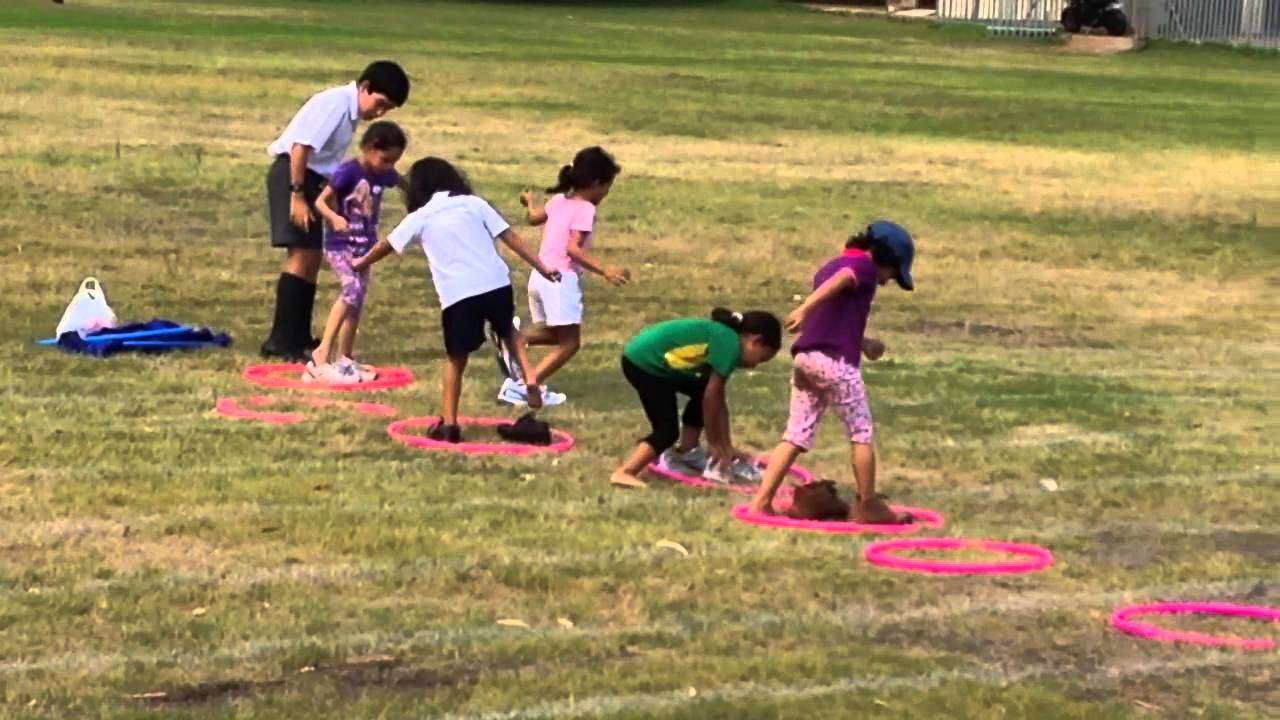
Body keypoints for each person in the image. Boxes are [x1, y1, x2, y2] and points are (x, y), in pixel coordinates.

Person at [352, 157, 560, 442]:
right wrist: (542, 267)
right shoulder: (474, 204)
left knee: (456, 359)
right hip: (497, 284)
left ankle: (449, 424)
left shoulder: (421, 215)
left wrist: (361, 262)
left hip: (459, 295)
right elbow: (510, 237)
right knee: (509, 331)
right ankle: (530, 377)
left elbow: (387, 244)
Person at [748, 221, 916, 524]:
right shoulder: (861, 267)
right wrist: (805, 309)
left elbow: (833, 316)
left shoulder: (830, 266)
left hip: (806, 359)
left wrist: (864, 342)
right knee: (861, 432)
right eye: (893, 273)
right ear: (884, 258)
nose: (888, 281)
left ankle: (761, 501)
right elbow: (843, 280)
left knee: (795, 434)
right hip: (834, 363)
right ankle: (868, 505)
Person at [260, 61, 410, 362]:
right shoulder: (336, 104)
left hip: (313, 180)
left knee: (312, 257)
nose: (379, 113)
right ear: (365, 87)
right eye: (379, 103)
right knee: (301, 256)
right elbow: (300, 148)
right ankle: (281, 340)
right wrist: (298, 196)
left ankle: (299, 337)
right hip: (295, 175)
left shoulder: (349, 110)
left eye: (387, 109)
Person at [492, 146, 627, 407]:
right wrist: (605, 269)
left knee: (557, 335)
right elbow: (572, 249)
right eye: (607, 187)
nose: (606, 194)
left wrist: (529, 202)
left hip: (540, 276)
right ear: (597, 182)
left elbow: (533, 218)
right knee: (571, 343)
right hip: (560, 280)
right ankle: (524, 386)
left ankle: (514, 339)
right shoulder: (586, 209)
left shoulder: (558, 201)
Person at [609, 309, 782, 489]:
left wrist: (727, 446)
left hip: (649, 358)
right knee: (667, 430)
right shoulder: (729, 343)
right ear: (756, 340)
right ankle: (626, 472)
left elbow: (717, 400)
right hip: (645, 363)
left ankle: (687, 452)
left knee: (703, 389)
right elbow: (711, 398)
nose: (754, 365)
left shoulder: (727, 338)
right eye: (761, 358)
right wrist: (715, 444)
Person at [305, 121, 406, 384]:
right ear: (371, 149)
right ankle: (321, 355)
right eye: (386, 159)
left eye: (394, 161)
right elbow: (320, 202)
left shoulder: (384, 174)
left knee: (357, 302)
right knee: (350, 291)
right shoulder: (348, 172)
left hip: (365, 247)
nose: (389, 166)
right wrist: (334, 218)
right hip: (341, 245)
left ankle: (345, 360)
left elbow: (404, 183)